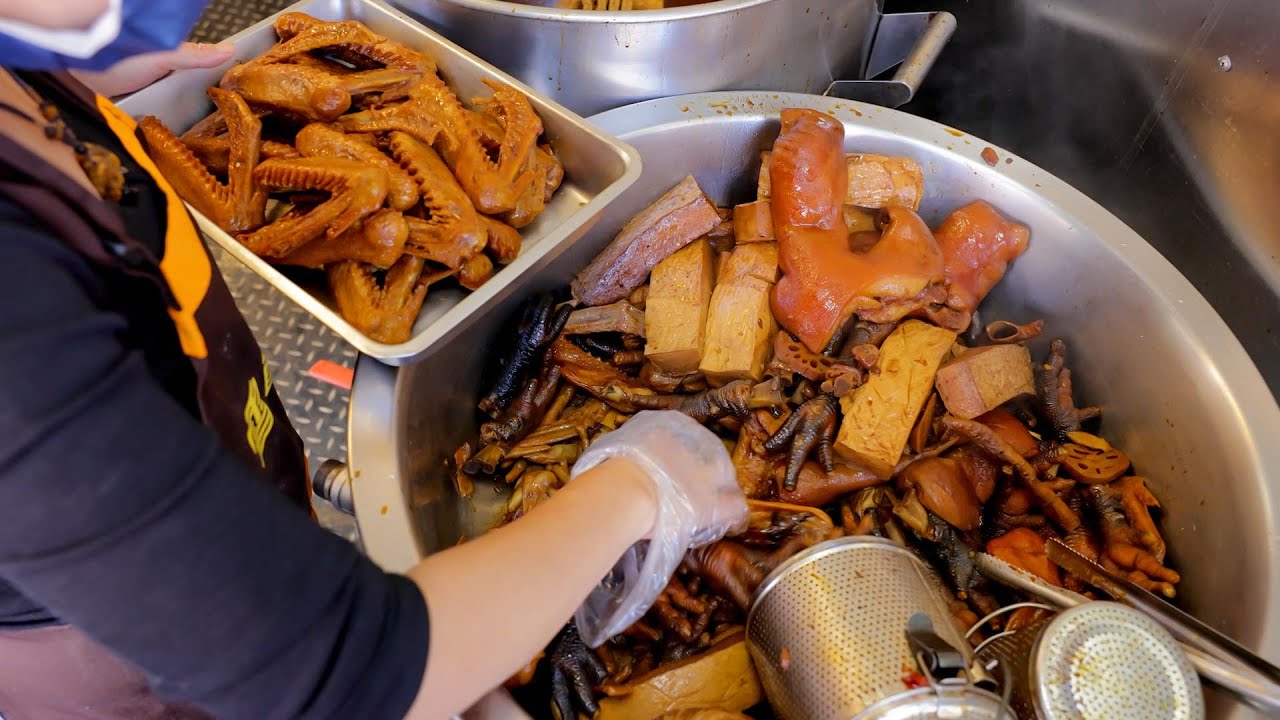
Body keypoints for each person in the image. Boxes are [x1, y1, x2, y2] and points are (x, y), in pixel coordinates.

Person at [0, 1, 748, 718]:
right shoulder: (18, 319)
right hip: (128, 660)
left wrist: (61, 78)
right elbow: (335, 672)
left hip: (232, 474)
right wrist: (637, 487)